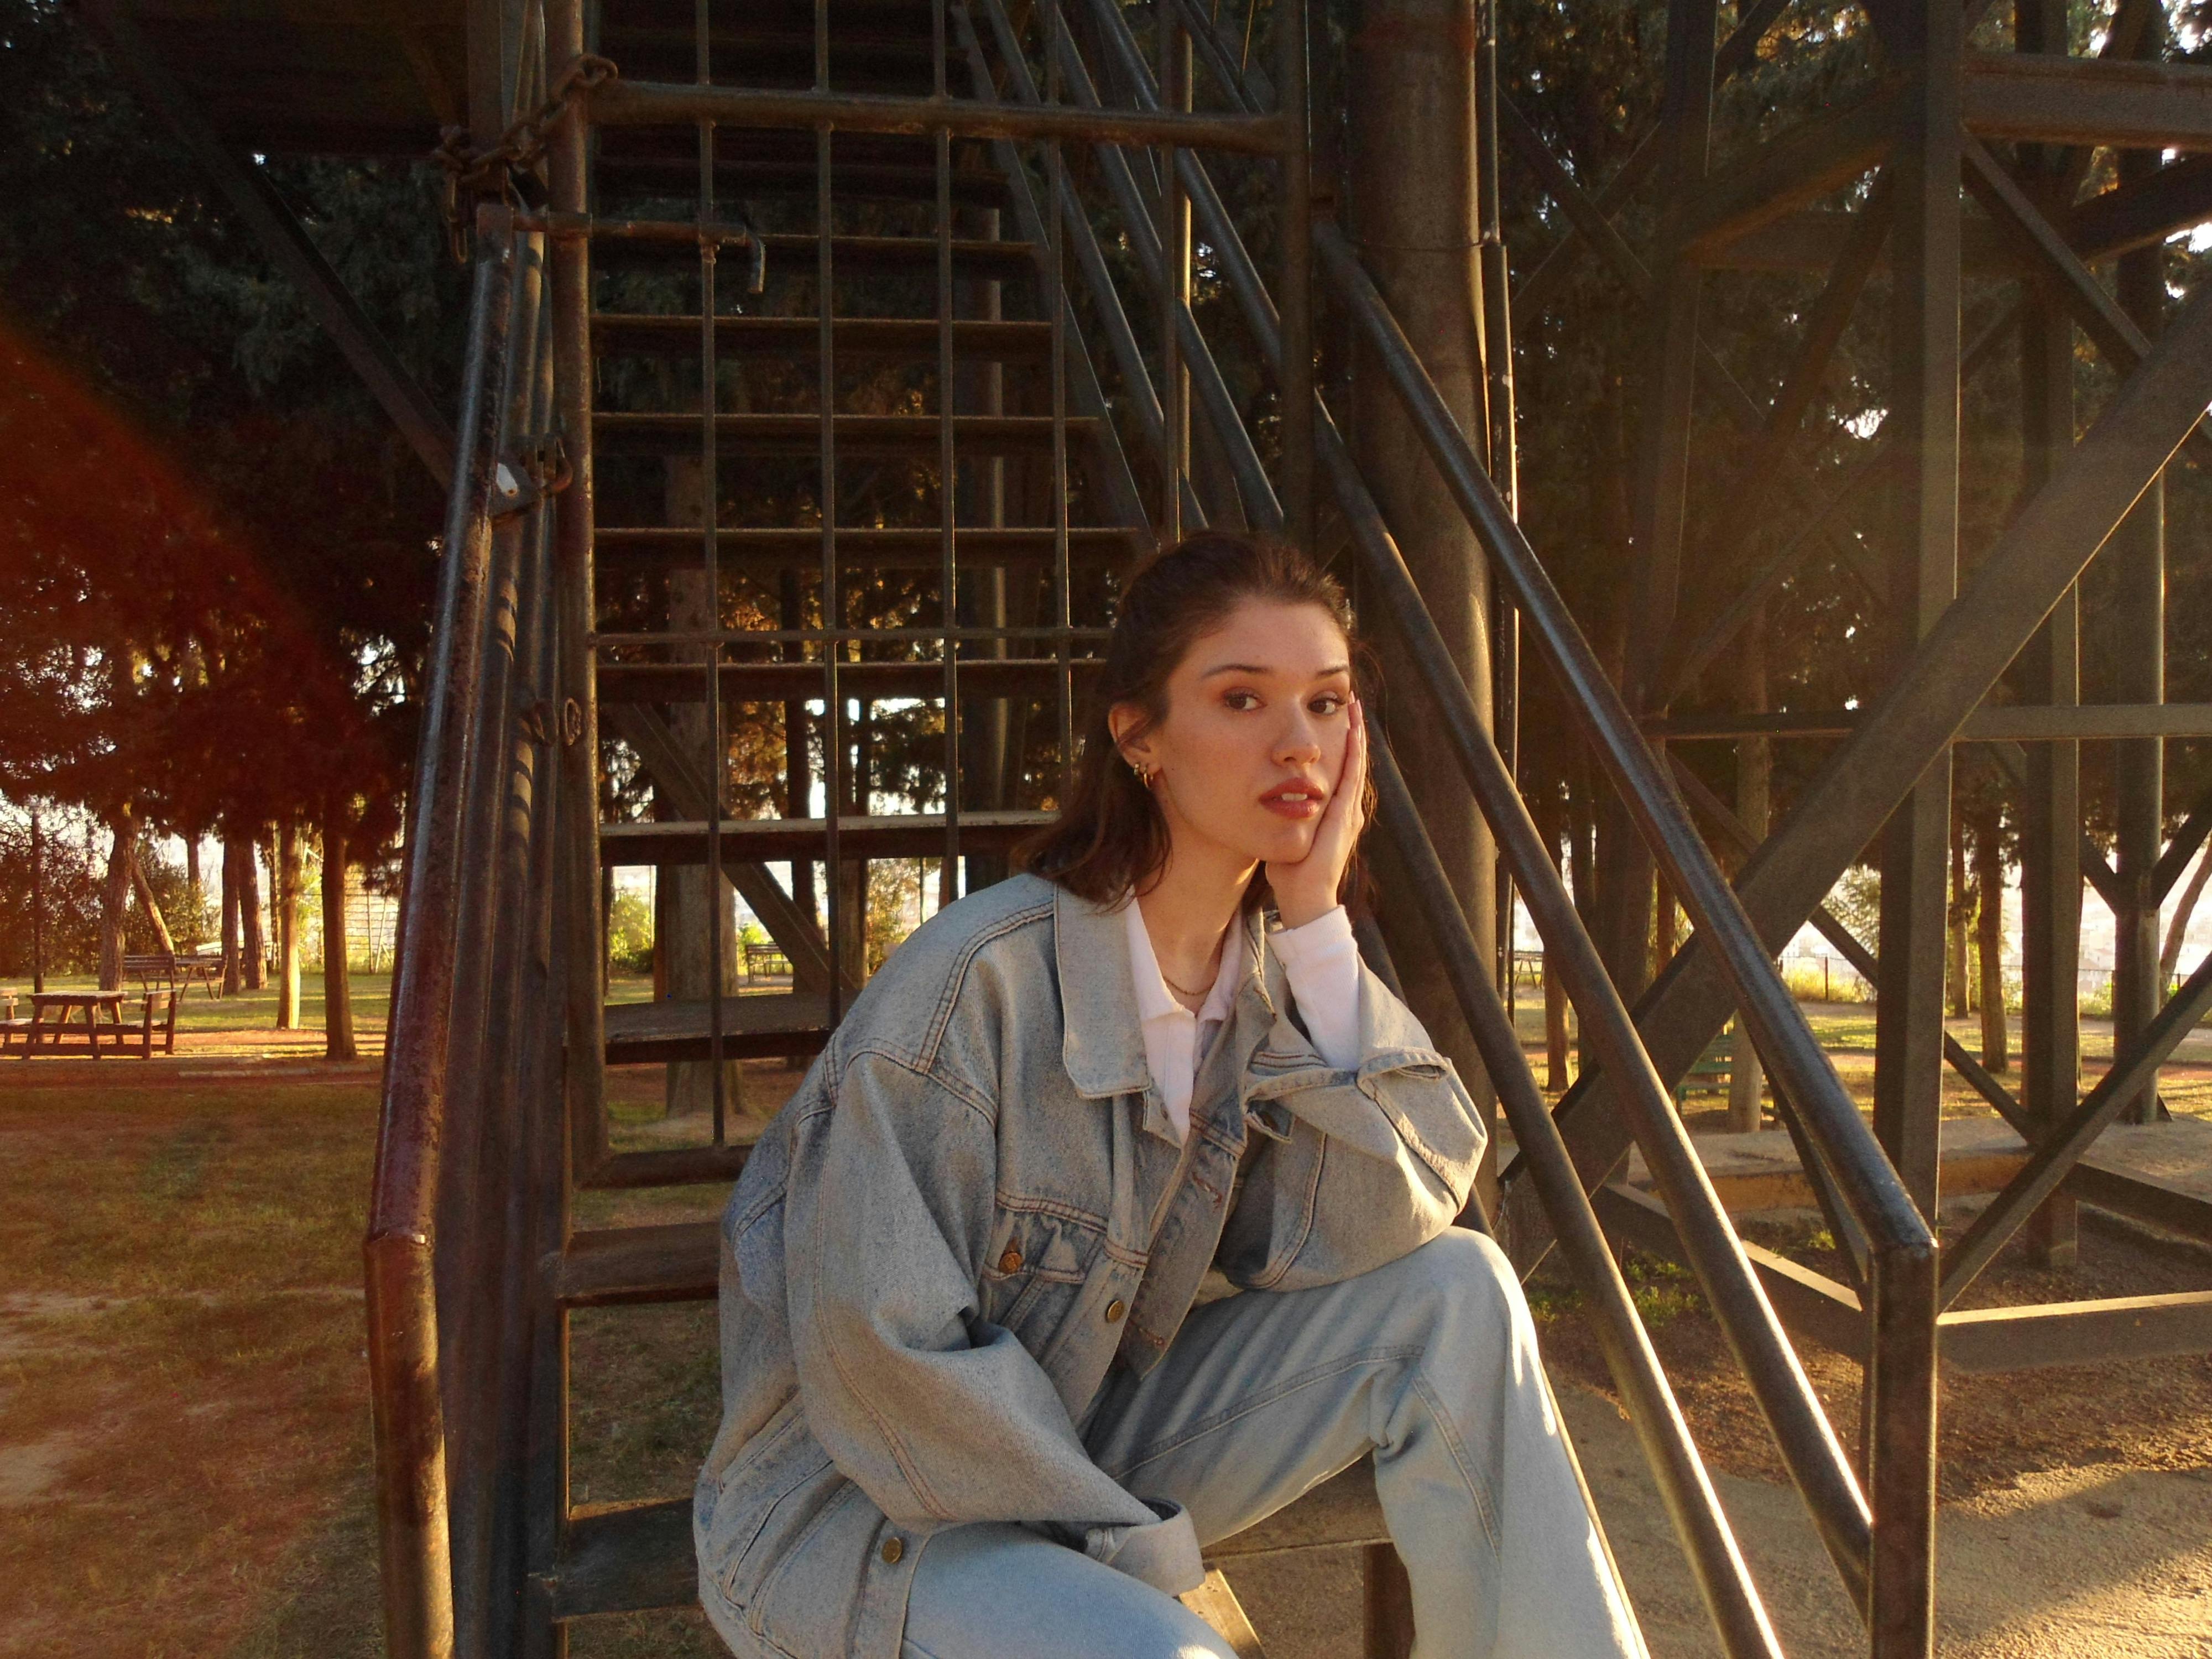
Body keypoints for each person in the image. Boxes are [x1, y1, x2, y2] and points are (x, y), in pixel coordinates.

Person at [694, 531, 1644, 1659]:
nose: (1299, 743)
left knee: (1458, 1292)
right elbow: (884, 1372)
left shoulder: (1260, 984)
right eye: (1242, 699)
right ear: (1139, 736)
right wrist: (1135, 1564)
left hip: (1081, 1443)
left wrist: (1317, 920)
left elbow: (1396, 1215)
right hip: (862, 1516)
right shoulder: (971, 995)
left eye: (1326, 704)